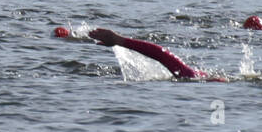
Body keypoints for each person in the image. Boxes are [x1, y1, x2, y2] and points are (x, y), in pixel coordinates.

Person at [87, 29, 227, 81]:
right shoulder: (196, 77)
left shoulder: (192, 78)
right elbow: (162, 55)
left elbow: (161, 55)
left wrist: (121, 41)